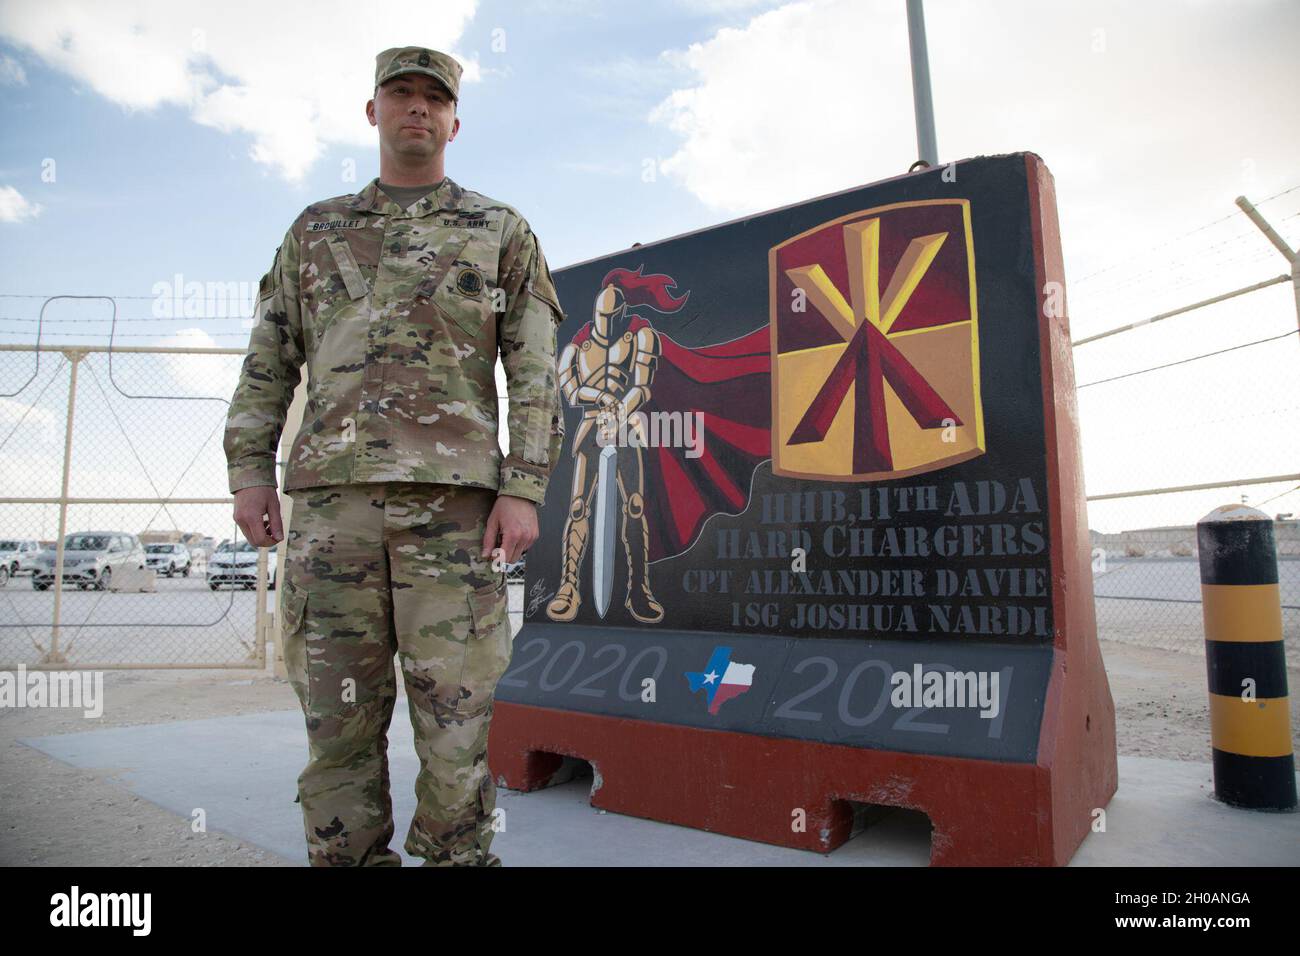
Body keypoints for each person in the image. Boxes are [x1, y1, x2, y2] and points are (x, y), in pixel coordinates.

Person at [223, 46, 565, 866]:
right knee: (336, 731)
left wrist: (525, 487)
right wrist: (248, 471)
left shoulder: (499, 231)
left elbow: (535, 369)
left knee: (455, 733)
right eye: (400, 94)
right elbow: (269, 357)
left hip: (454, 519)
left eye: (433, 99)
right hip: (330, 517)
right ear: (372, 112)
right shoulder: (315, 231)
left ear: (454, 120)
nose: (417, 108)